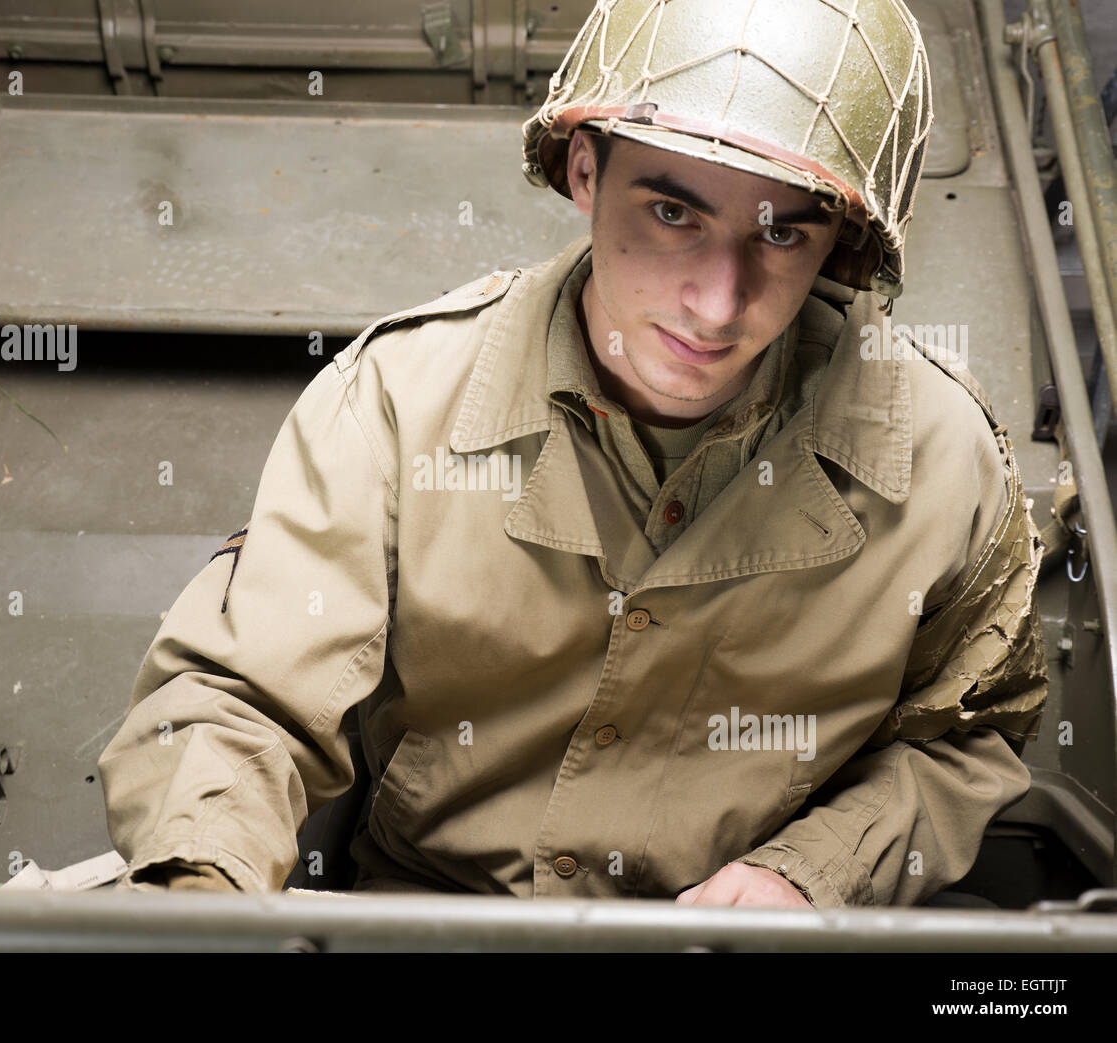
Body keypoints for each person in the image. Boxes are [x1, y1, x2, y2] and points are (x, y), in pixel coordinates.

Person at [98, 0, 1048, 907]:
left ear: (840, 241)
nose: (717, 303)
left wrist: (814, 872)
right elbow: (243, 703)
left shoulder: (943, 463)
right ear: (586, 173)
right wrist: (206, 899)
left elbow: (970, 736)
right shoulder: (398, 403)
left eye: (783, 232)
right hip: (431, 919)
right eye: (674, 214)